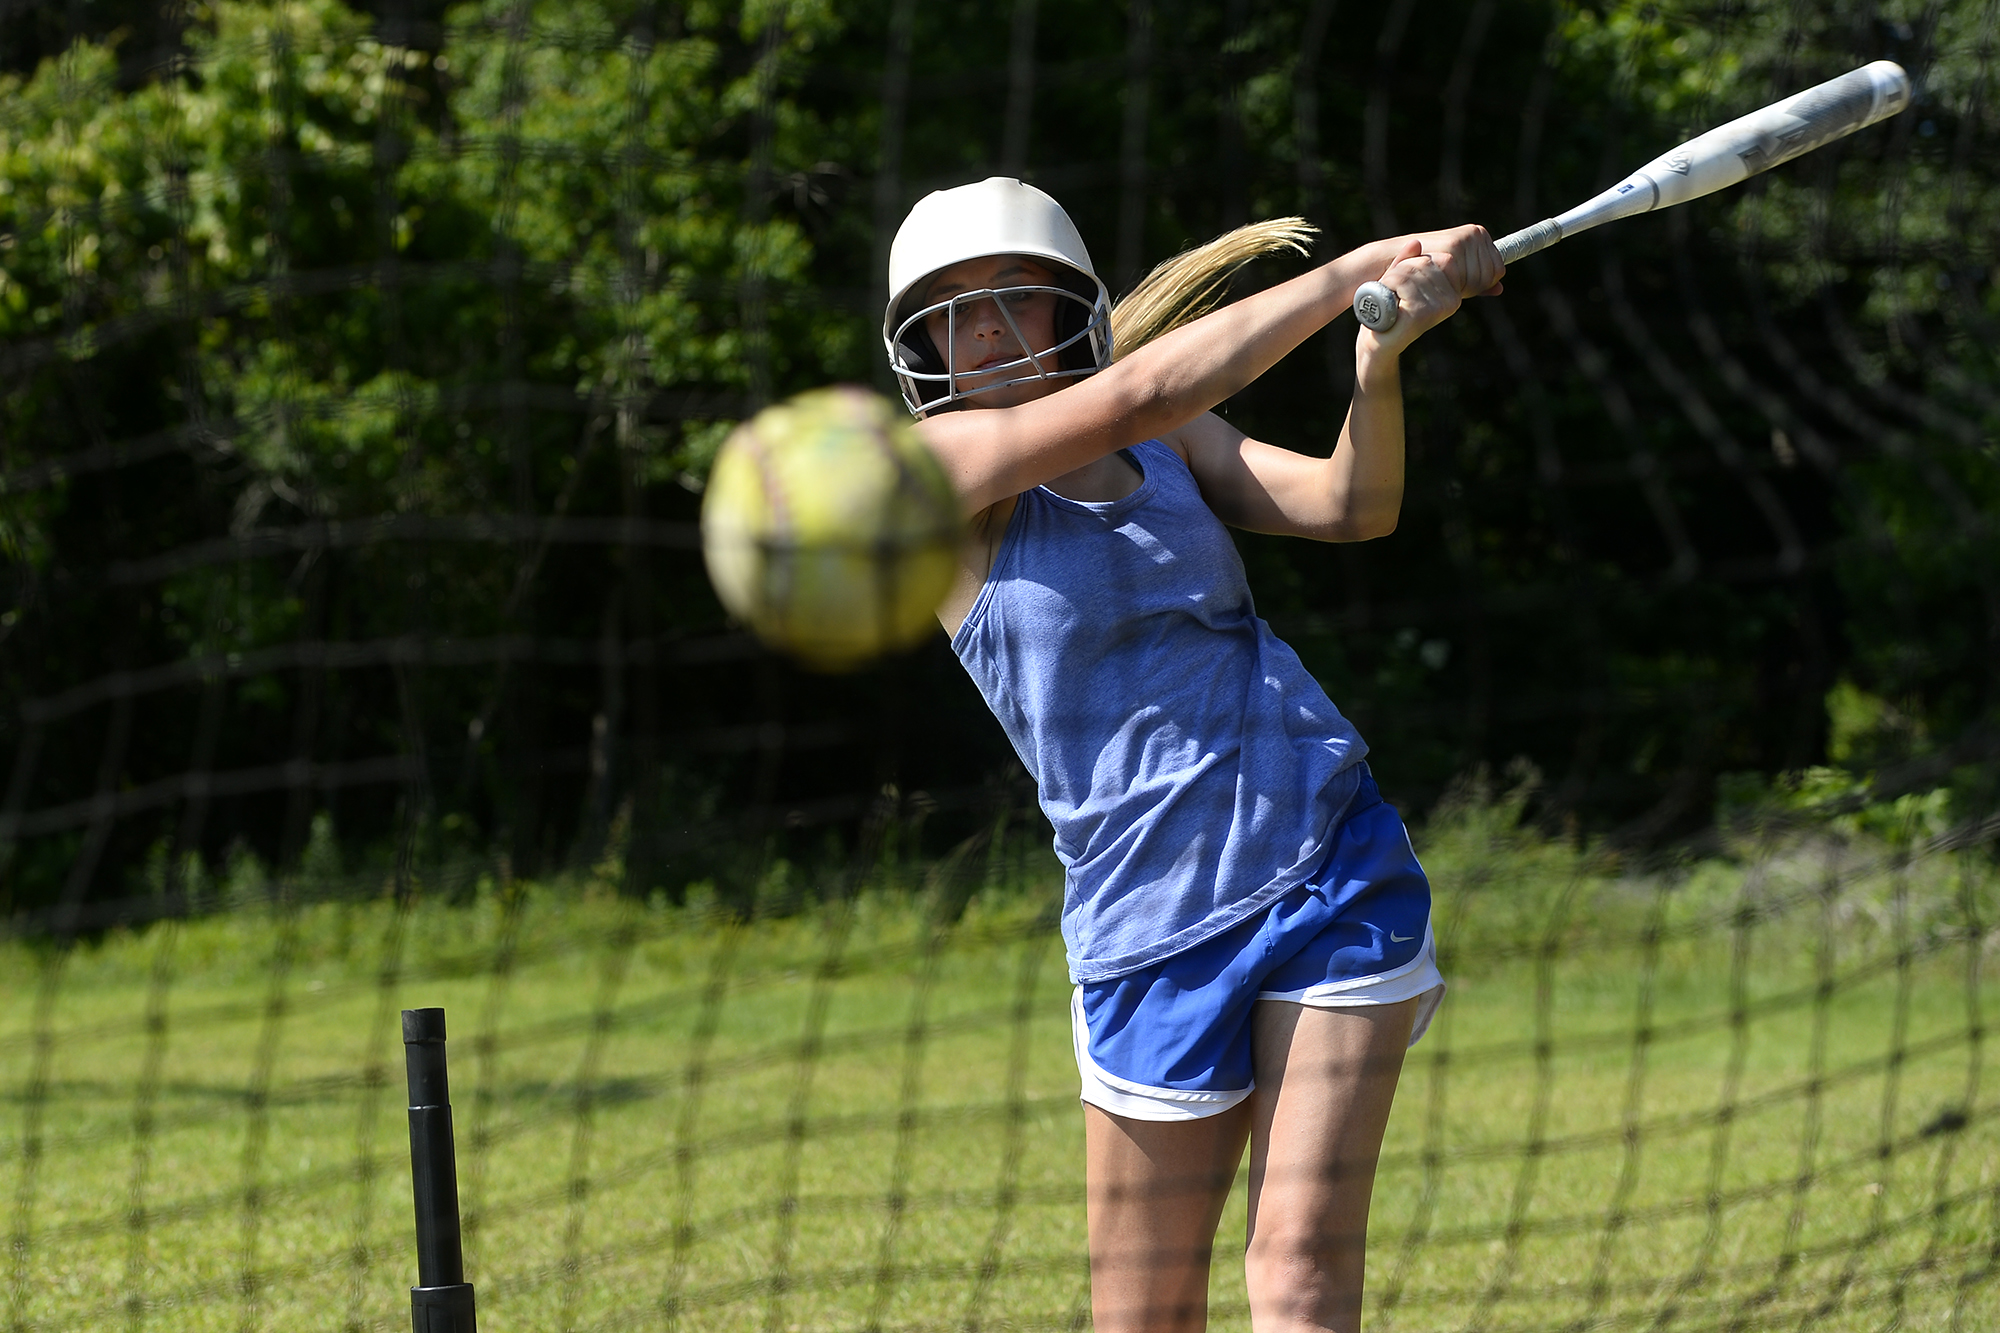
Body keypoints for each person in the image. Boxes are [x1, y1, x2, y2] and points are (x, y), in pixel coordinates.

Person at [882, 177, 1503, 1333]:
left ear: (1072, 306)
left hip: (1326, 856)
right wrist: (1349, 269)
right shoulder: (937, 483)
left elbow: (1348, 504)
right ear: (919, 348)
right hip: (1144, 932)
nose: (989, 331)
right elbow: (1140, 389)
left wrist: (1378, 348)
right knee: (1145, 1316)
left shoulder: (1166, 438)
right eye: (954, 314)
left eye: (1014, 300)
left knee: (1300, 1269)